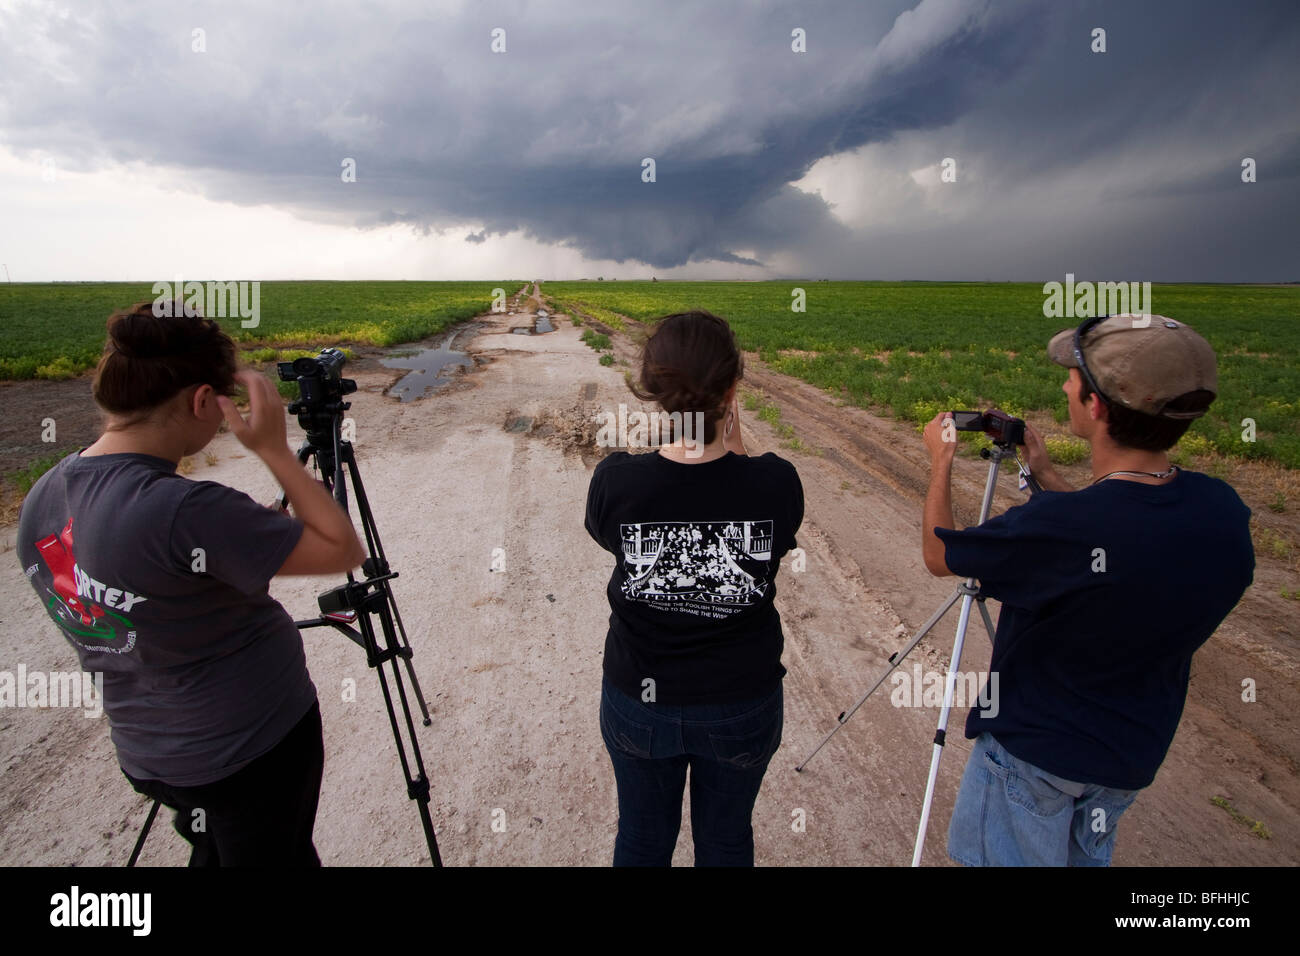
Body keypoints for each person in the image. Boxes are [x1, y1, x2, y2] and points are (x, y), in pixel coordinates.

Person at [17, 301, 365, 866]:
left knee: (217, 847)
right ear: (202, 400)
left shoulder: (45, 493)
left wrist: (234, 538)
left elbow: (141, 584)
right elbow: (342, 548)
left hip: (149, 752)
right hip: (248, 749)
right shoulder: (185, 509)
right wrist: (274, 450)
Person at [919, 314, 1254, 866]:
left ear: (1096, 406)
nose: (1064, 386)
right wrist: (1046, 475)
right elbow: (1120, 531)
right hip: (1127, 755)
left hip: (1036, 752)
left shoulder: (1060, 528)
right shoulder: (1221, 511)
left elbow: (940, 555)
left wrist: (941, 461)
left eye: (1072, 379)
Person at [584, 310, 804, 866]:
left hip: (640, 700)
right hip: (740, 702)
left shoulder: (617, 481)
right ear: (732, 391)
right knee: (726, 840)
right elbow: (767, 529)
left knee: (642, 838)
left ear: (655, 392)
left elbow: (609, 538)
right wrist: (732, 443)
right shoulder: (775, 483)